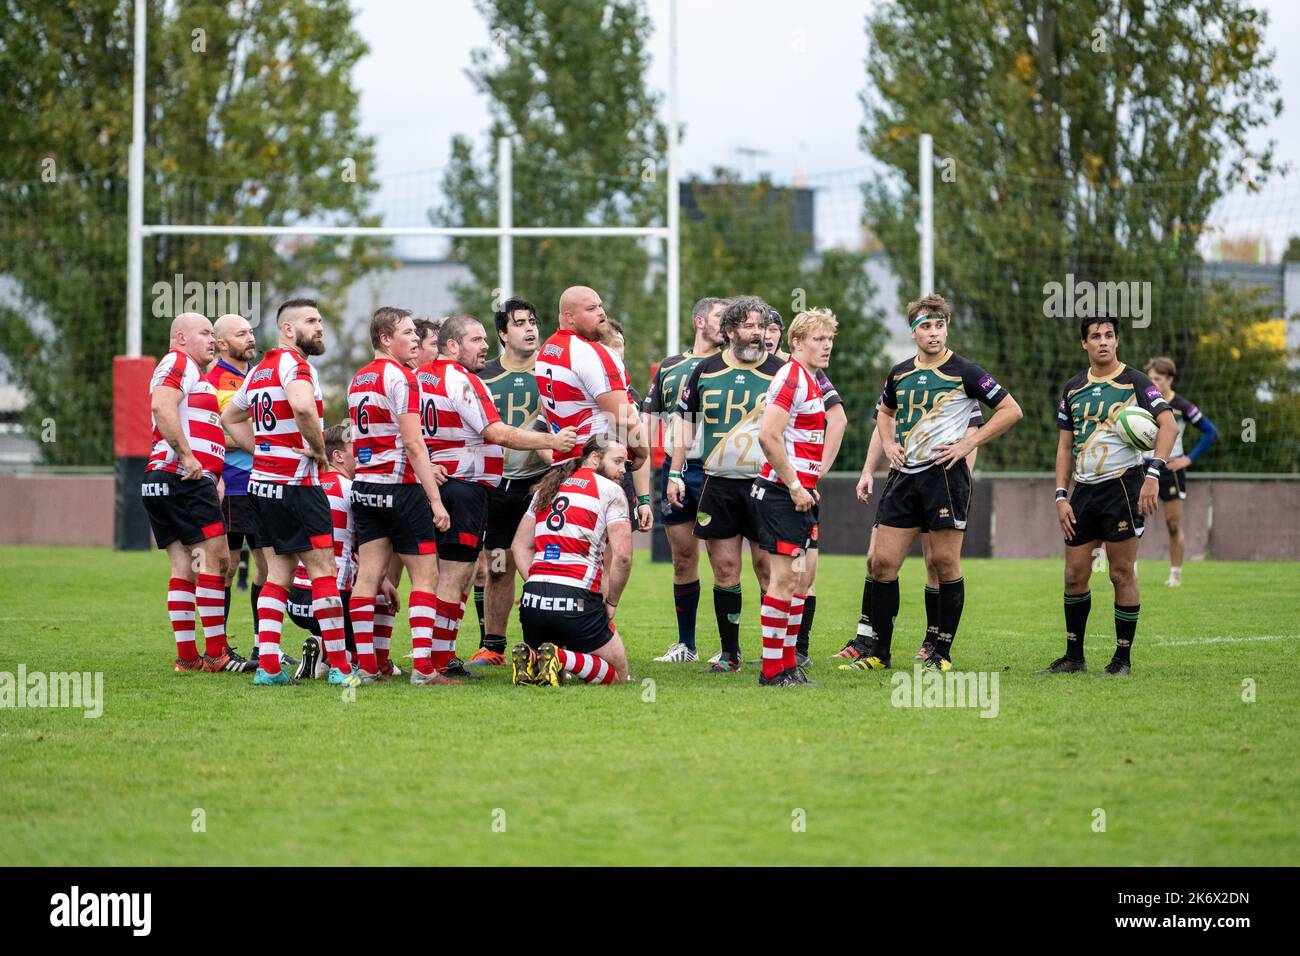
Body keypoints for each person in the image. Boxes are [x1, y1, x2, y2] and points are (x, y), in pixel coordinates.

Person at [843, 294, 1022, 674]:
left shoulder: (966, 370)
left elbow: (1011, 409)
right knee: (881, 562)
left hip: (944, 478)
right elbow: (885, 413)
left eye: (940, 325)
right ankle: (879, 653)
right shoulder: (899, 372)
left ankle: (940, 651)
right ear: (913, 332)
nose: (934, 332)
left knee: (942, 562)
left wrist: (969, 442)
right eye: (926, 326)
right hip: (903, 478)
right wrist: (889, 443)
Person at [417, 314, 577, 679]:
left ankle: (432, 659)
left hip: (443, 486)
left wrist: (428, 463)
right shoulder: (462, 380)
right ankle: (436, 663)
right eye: (476, 340)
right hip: (464, 488)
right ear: (453, 345)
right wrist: (552, 440)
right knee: (454, 579)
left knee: (446, 575)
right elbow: (498, 433)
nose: (485, 346)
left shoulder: (422, 376)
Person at [223, 299, 359, 687]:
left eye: (320, 320)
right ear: (287, 330)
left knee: (278, 575)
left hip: (261, 487)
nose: (320, 327)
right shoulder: (296, 365)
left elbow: (230, 417)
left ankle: (268, 667)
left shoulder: (259, 371)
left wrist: (261, 450)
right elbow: (302, 407)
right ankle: (340, 668)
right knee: (324, 572)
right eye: (311, 321)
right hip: (297, 486)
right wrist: (318, 450)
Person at [1039, 316, 1176, 677]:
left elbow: (1169, 425)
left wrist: (1152, 474)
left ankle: (1122, 660)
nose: (1104, 341)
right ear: (1084, 344)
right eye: (1096, 336)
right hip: (1083, 490)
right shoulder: (1072, 389)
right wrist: (1060, 496)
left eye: (1109, 335)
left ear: (1116, 341)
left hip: (1123, 486)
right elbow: (1064, 447)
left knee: (1120, 573)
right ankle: (1073, 658)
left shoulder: (1136, 381)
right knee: (1073, 574)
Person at [669, 296, 783, 671]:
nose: (758, 335)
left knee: (767, 568)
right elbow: (685, 423)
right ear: (731, 331)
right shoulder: (705, 369)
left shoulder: (782, 371)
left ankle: (775, 652)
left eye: (762, 326)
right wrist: (675, 470)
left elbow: (806, 422)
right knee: (725, 568)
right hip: (718, 484)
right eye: (749, 327)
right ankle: (730, 654)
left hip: (766, 485)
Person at [347, 307, 452, 685]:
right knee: (426, 576)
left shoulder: (357, 379)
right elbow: (413, 442)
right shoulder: (403, 377)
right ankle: (423, 669)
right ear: (386, 339)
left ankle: (367, 666)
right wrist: (435, 501)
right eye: (407, 333)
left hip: (365, 487)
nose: (415, 339)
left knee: (369, 576)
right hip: (400, 489)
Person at [837, 405, 985, 663]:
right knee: (876, 558)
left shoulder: (956, 380)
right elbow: (883, 425)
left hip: (940, 484)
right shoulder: (900, 377)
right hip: (901, 482)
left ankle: (933, 640)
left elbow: (971, 436)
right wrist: (868, 471)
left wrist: (958, 482)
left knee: (935, 563)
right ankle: (866, 639)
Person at [751, 308, 838, 686]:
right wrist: (795, 485)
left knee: (800, 580)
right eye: (818, 339)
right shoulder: (792, 376)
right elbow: (768, 436)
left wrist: (807, 483)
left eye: (830, 339)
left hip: (799, 495)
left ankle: (788, 666)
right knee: (783, 580)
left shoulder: (812, 380)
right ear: (797, 343)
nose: (827, 346)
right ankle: (773, 672)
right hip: (781, 494)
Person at [142, 312, 232, 673]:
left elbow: (200, 427)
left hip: (170, 479)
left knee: (185, 565)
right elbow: (161, 406)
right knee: (218, 561)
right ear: (180, 337)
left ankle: (188, 657)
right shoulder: (178, 361)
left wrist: (216, 471)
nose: (213, 340)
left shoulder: (198, 375)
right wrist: (188, 457)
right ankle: (216, 653)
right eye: (205, 333)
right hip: (182, 479)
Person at [464, 297, 551, 666]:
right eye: (519, 323)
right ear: (502, 333)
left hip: (544, 485)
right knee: (498, 567)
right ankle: (494, 647)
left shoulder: (552, 372)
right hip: (499, 488)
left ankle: (547, 644)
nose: (529, 328)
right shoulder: (481, 377)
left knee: (548, 567)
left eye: (532, 321)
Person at [509, 437, 633, 687]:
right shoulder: (610, 491)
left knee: (556, 676)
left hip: (532, 601)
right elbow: (622, 556)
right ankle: (560, 655)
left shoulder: (548, 485)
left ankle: (535, 657)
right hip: (575, 599)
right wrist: (611, 602)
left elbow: (519, 545)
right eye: (618, 461)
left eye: (626, 463)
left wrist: (535, 581)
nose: (623, 470)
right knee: (619, 676)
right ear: (595, 458)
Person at [644, 296, 727, 662]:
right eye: (720, 318)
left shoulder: (729, 364)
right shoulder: (669, 366)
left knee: (725, 561)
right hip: (675, 471)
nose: (727, 325)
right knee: (682, 557)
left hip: (717, 471)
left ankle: (730, 649)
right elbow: (649, 418)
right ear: (699, 321)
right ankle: (687, 645)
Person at [284, 424, 401, 678]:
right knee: (371, 591)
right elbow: (370, 551)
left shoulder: (307, 487)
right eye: (355, 449)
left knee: (370, 581)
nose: (361, 454)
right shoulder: (353, 490)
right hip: (331, 600)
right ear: (337, 456)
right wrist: (385, 581)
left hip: (294, 601)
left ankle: (320, 649)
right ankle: (368, 661)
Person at [536, 285, 648, 470]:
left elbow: (546, 410)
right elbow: (622, 417)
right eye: (591, 309)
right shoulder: (594, 353)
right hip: (594, 461)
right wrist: (643, 453)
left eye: (600, 306)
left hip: (562, 464)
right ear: (569, 317)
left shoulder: (546, 351)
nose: (601, 313)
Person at [206, 313, 263, 672]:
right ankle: (221, 649)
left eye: (252, 331)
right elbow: (213, 435)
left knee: (269, 569)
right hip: (232, 484)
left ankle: (263, 647)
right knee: (224, 567)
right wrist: (259, 439)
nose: (251, 338)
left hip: (262, 485)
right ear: (222, 343)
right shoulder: (211, 381)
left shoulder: (258, 377)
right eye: (242, 333)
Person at [1143, 356, 1218, 587]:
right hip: (1143, 465)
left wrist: (1188, 459)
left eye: (1157, 378)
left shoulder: (1182, 406)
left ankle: (1175, 574)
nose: (1152, 382)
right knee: (1133, 519)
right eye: (1150, 378)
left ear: (1170, 379)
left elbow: (1211, 432)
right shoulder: (1140, 400)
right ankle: (1130, 569)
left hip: (1171, 469)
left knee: (1173, 523)